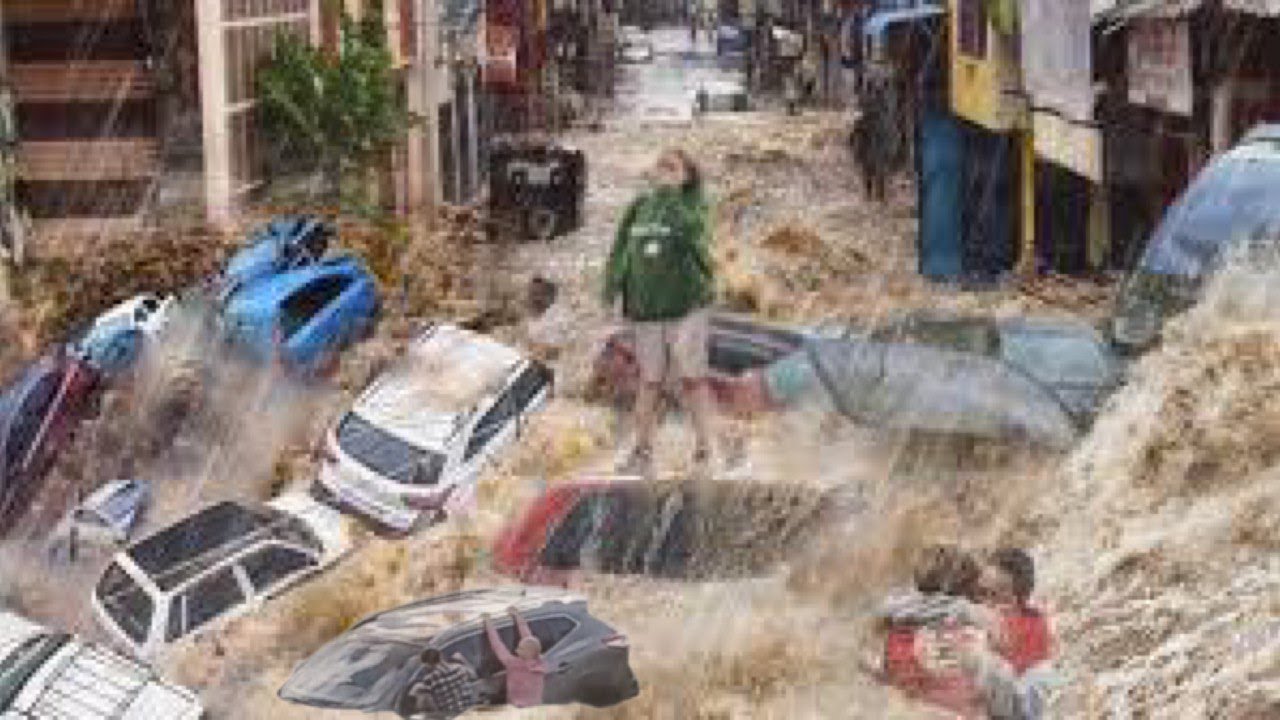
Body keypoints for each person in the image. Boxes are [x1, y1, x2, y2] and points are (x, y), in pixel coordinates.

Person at [604, 149, 716, 478]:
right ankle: (642, 451)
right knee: (649, 381)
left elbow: (694, 238)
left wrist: (671, 195)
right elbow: (621, 249)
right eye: (660, 164)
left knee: (691, 377)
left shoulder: (692, 206)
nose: (663, 170)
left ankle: (705, 449)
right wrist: (610, 287)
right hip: (646, 310)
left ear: (686, 176)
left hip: (686, 308)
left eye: (672, 166)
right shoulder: (639, 207)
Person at [483, 608, 548, 708]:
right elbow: (527, 635)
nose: (516, 650)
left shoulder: (513, 664)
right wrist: (517, 615)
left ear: (529, 652)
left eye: (520, 649)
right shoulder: (539, 663)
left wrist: (488, 622)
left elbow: (497, 645)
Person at [405, 648, 478, 719]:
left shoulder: (429, 680)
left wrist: (415, 691)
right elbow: (474, 676)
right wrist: (462, 659)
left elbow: (426, 706)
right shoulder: (459, 669)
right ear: (440, 657)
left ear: (427, 664)